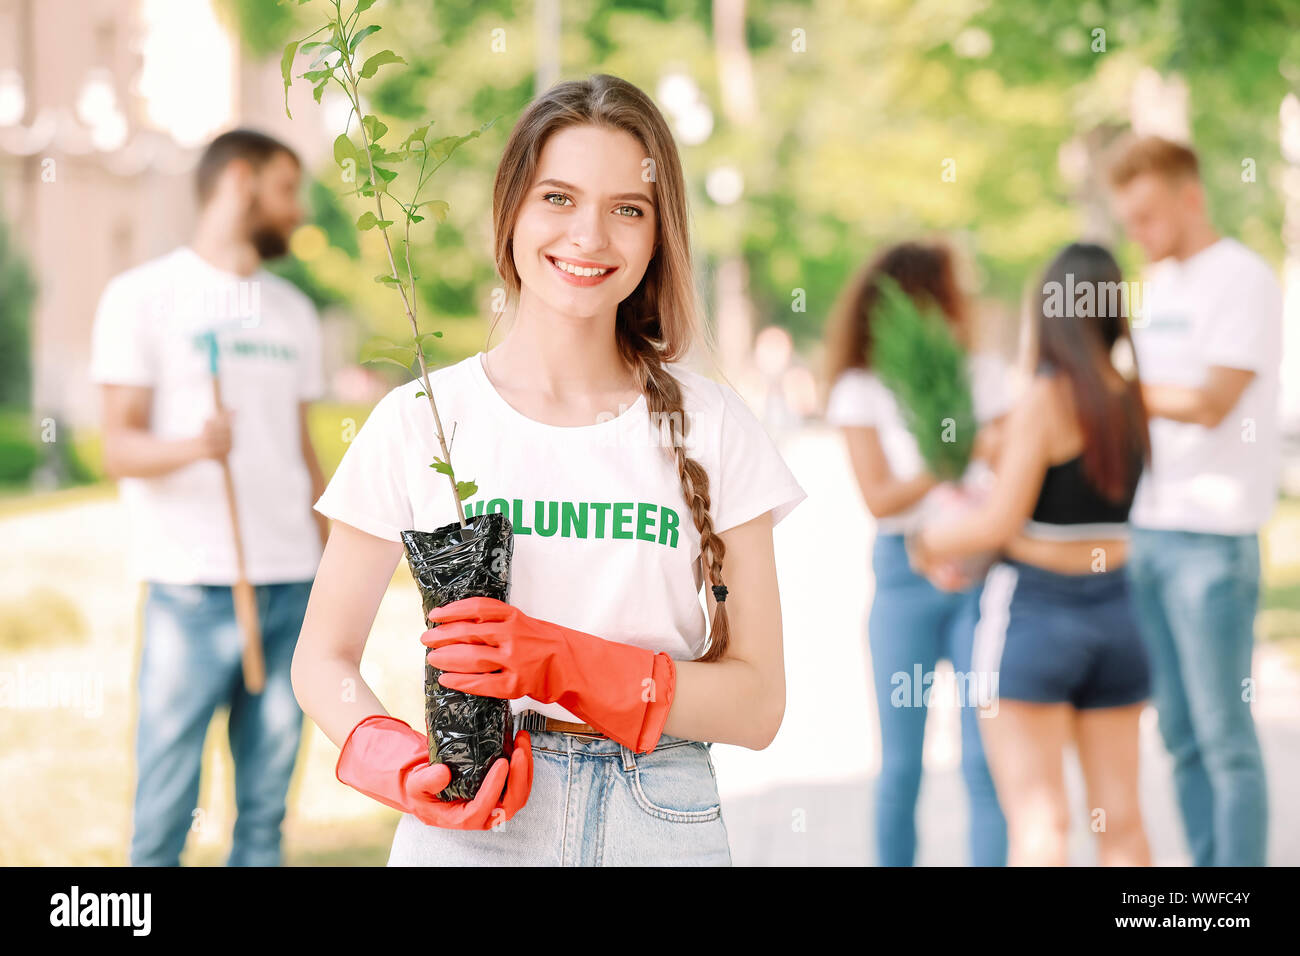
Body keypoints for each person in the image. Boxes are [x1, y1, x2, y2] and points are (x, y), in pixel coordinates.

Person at [291, 73, 808, 866]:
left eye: (627, 210)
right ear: (512, 210)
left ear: (659, 232)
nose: (590, 237)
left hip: (658, 814)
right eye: (558, 199)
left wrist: (560, 660)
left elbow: (758, 704)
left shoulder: (715, 425)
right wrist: (397, 764)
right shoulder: (422, 418)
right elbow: (321, 658)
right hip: (478, 810)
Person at [90, 129, 330, 865]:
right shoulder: (142, 297)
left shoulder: (293, 311)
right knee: (164, 810)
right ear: (237, 183)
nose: (297, 211)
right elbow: (117, 447)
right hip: (191, 591)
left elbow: (301, 451)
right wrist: (196, 446)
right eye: (286, 189)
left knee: (264, 813)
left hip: (290, 585)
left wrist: (332, 566)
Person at [908, 242, 1153, 866]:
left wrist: (925, 541)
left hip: (1037, 620)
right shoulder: (1129, 396)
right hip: (1121, 618)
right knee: (1121, 823)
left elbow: (996, 521)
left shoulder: (1047, 399)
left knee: (1041, 828)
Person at [1107, 135, 1282, 866]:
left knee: (1223, 736)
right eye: (1128, 222)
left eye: (1148, 216)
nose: (1138, 235)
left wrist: (1110, 391)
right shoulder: (1163, 286)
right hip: (1150, 533)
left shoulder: (1240, 277)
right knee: (1177, 734)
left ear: (1191, 196)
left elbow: (1212, 401)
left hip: (1213, 541)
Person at [823, 241, 1010, 866]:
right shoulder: (861, 388)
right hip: (903, 574)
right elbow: (879, 497)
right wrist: (953, 459)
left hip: (985, 575)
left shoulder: (984, 375)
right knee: (901, 769)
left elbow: (1013, 471)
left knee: (986, 762)